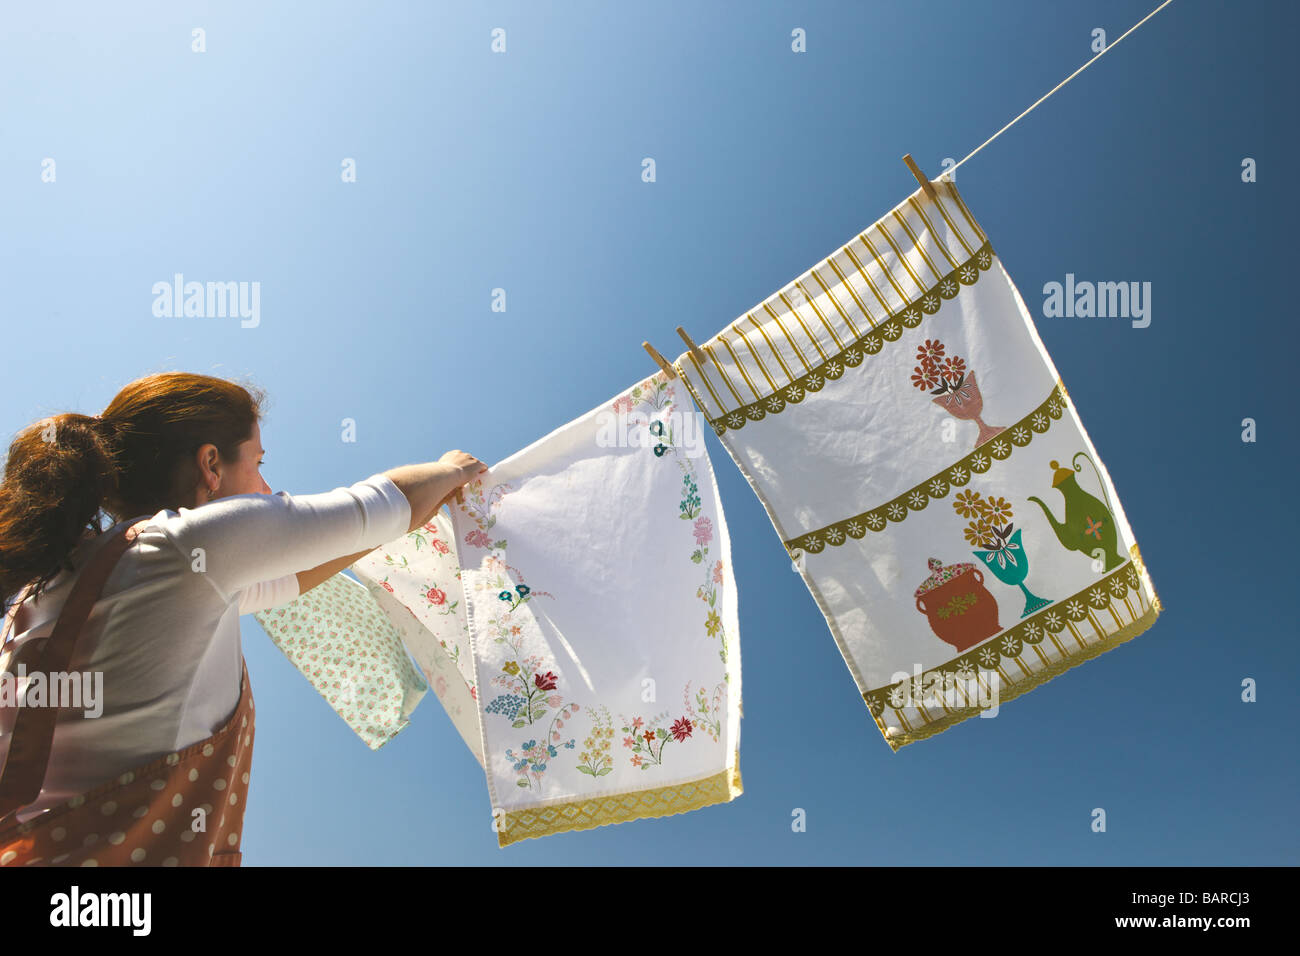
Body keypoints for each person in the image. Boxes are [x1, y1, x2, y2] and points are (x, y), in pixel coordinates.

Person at [0, 371, 484, 865]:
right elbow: (389, 502)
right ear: (210, 464)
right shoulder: (187, 545)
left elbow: (295, 576)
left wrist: (391, 527)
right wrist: (452, 469)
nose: (267, 486)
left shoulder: (55, 583)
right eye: (257, 462)